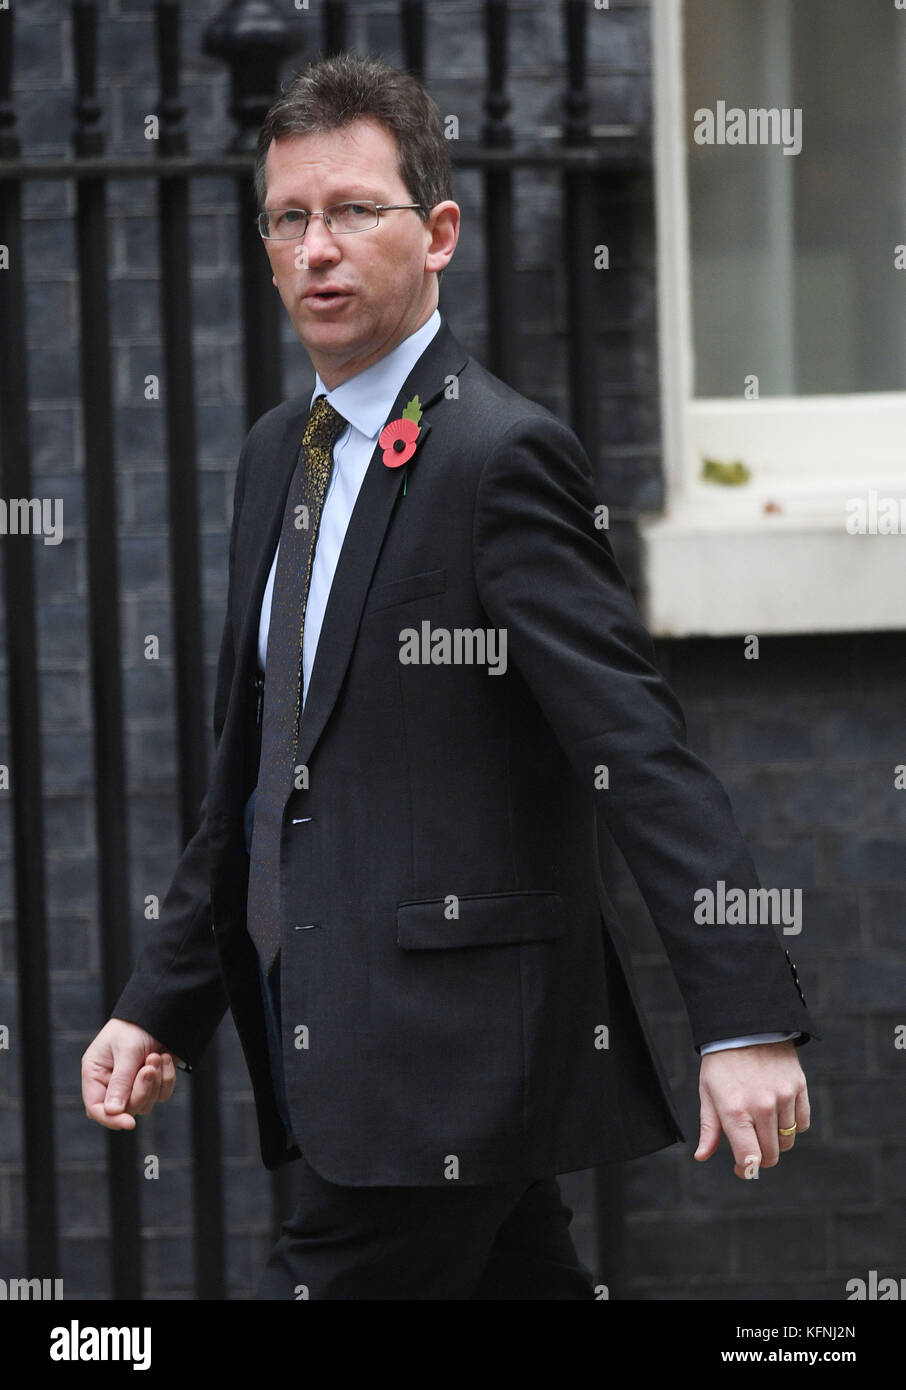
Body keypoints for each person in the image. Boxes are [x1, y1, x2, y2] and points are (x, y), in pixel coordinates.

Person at [81, 53, 818, 1300]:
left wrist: (744, 1016)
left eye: (354, 210)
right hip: (358, 1061)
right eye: (289, 217)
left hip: (442, 1070)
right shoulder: (282, 455)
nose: (318, 246)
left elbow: (634, 743)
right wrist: (165, 998)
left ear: (438, 235)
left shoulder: (501, 454)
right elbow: (258, 770)